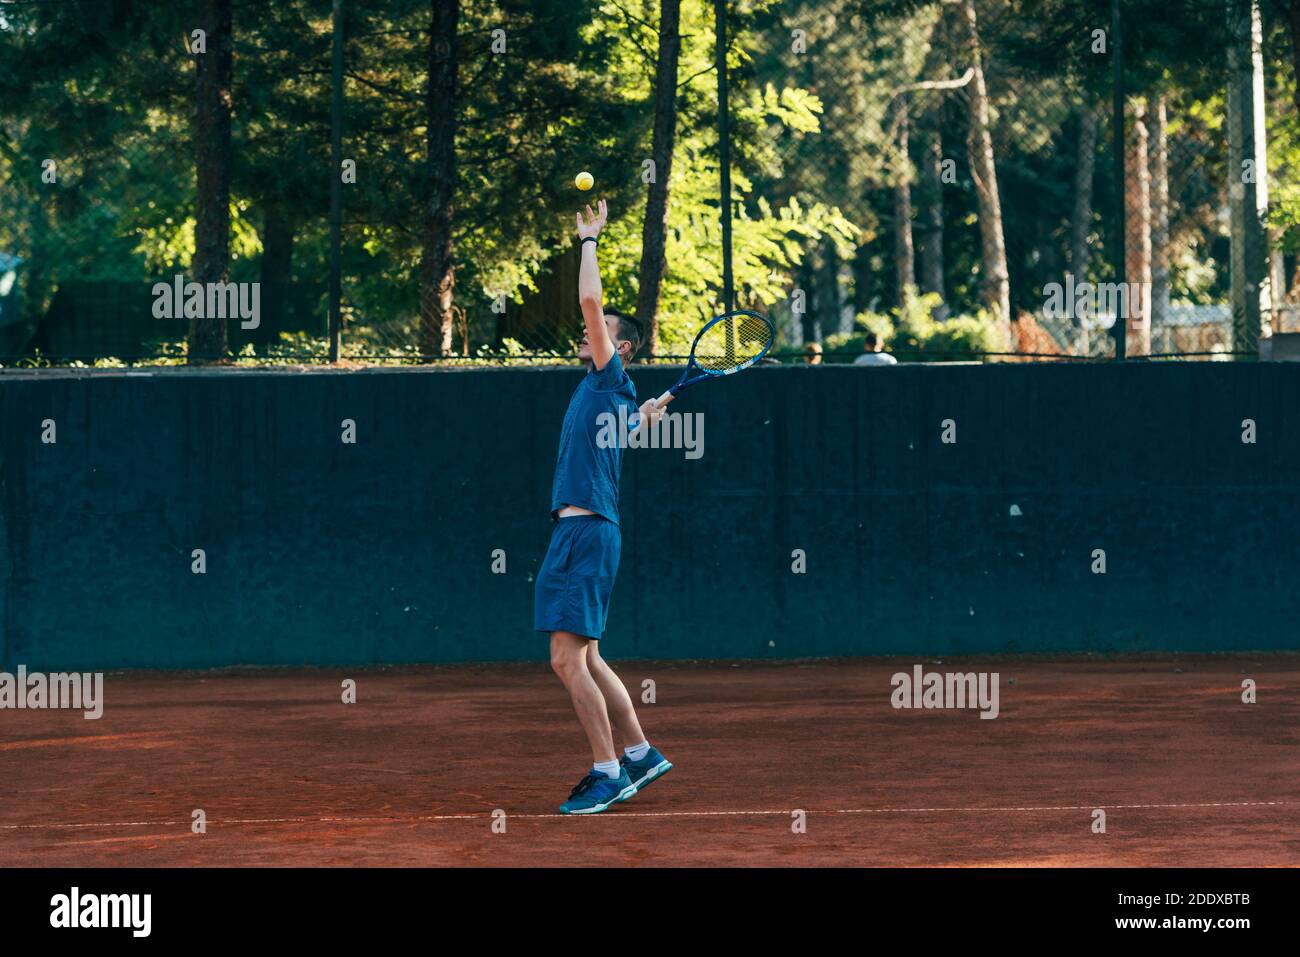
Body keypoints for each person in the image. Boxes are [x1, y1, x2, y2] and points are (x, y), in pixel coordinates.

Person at [536, 199, 673, 814]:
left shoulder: (605, 377)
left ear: (621, 347)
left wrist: (589, 241)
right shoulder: (615, 397)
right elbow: (615, 440)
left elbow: (591, 305)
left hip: (585, 534)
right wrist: (642, 419)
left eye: (602, 332)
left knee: (566, 659)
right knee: (589, 655)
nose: (588, 333)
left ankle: (607, 770)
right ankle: (641, 753)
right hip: (593, 533)